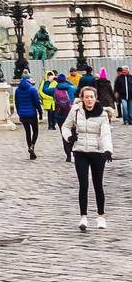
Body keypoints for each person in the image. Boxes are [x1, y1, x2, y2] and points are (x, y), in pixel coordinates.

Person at [62, 84, 113, 231]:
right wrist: (69, 137)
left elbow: (105, 134)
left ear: (96, 98)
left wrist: (108, 150)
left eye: (92, 97)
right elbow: (66, 126)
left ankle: (101, 216)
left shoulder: (103, 114)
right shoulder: (76, 110)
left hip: (97, 153)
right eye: (86, 97)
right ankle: (83, 217)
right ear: (82, 99)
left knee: (98, 185)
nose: (89, 99)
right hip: (80, 152)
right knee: (83, 185)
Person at [13, 72, 43, 159]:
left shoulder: (18, 90)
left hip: (23, 114)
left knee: (27, 132)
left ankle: (29, 147)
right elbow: (37, 102)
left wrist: (19, 113)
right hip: (32, 114)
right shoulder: (32, 89)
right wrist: (40, 112)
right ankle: (32, 146)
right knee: (35, 131)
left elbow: (16, 102)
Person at [53, 73, 76, 160]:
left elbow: (45, 90)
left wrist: (48, 81)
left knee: (64, 134)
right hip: (71, 114)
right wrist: (68, 82)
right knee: (73, 133)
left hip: (60, 116)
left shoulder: (55, 89)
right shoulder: (71, 88)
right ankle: (73, 150)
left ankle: (68, 154)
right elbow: (76, 88)